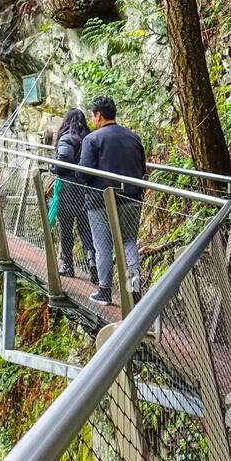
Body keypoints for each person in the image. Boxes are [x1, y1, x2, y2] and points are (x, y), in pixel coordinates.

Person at [78, 96, 146, 305]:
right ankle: (133, 291)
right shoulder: (133, 138)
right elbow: (142, 169)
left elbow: (83, 174)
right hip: (132, 197)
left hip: (101, 202)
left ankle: (105, 291)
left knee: (103, 246)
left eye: (93, 116)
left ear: (98, 115)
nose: (92, 120)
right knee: (128, 242)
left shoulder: (93, 139)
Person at [51, 109, 97, 279]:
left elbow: (62, 165)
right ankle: (91, 261)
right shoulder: (89, 138)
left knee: (65, 229)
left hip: (68, 190)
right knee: (85, 229)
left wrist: (52, 167)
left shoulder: (66, 138)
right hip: (86, 190)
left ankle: (68, 266)